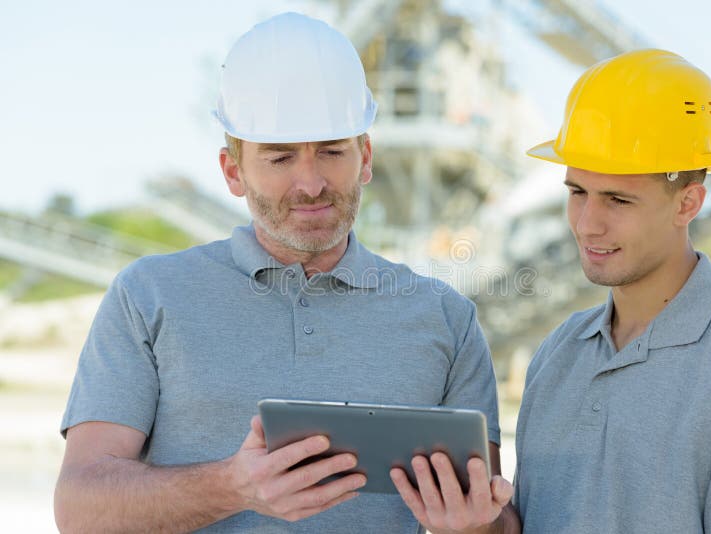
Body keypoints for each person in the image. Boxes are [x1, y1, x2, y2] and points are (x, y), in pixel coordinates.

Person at [54, 12, 518, 533]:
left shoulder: (447, 319)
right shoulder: (146, 296)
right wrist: (232, 486)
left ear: (365, 157)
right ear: (233, 171)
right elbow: (80, 510)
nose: (312, 183)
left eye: (332, 152)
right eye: (280, 159)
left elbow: (497, 520)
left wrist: (476, 525)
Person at [514, 49, 711, 533]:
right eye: (577, 192)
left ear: (688, 203)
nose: (587, 225)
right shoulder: (556, 354)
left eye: (618, 200)